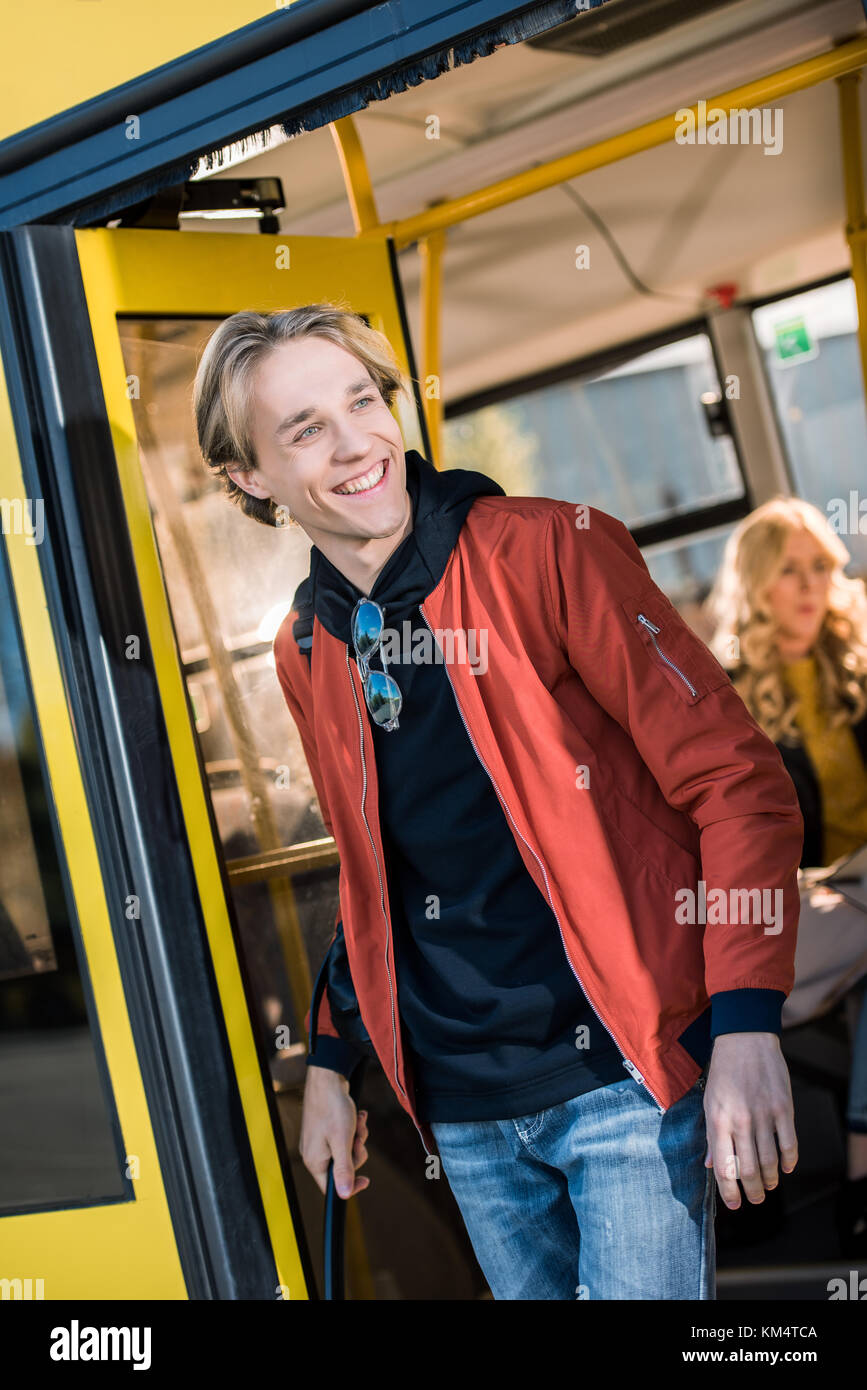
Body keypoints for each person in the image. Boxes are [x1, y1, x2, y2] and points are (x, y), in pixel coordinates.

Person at [193, 303, 804, 1301]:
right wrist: (335, 1065)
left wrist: (745, 1023)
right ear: (250, 478)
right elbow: (373, 871)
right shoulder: (306, 648)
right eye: (306, 428)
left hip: (624, 1076)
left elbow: (737, 782)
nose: (358, 443)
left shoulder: (551, 552)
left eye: (363, 400)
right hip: (466, 1115)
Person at [705, 497, 867, 1256]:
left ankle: (861, 1172)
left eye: (818, 570)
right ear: (757, 588)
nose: (809, 587)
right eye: (789, 573)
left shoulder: (855, 672)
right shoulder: (726, 696)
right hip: (793, 910)